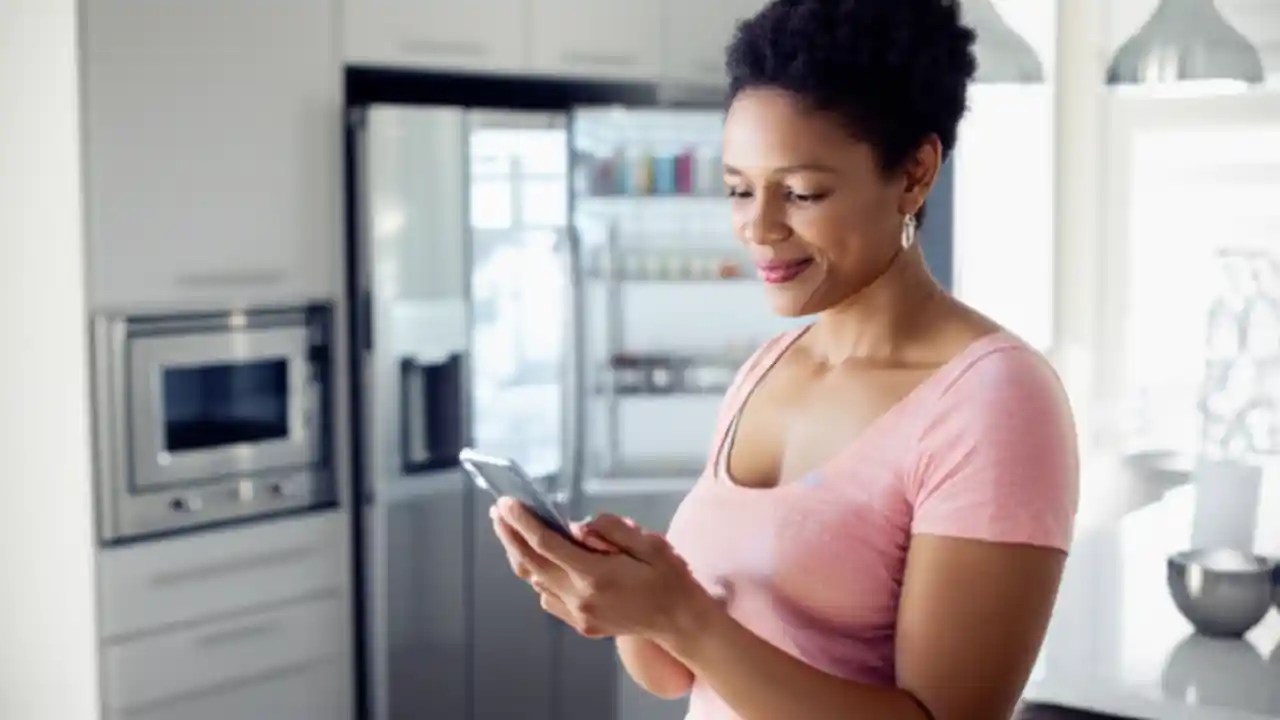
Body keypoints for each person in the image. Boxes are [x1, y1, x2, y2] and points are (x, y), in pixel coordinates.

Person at [490, 0, 1079, 717]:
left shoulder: (994, 401)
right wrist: (629, 596)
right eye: (739, 189)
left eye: (801, 192)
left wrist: (683, 617)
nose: (759, 228)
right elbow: (679, 677)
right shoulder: (768, 367)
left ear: (915, 174)